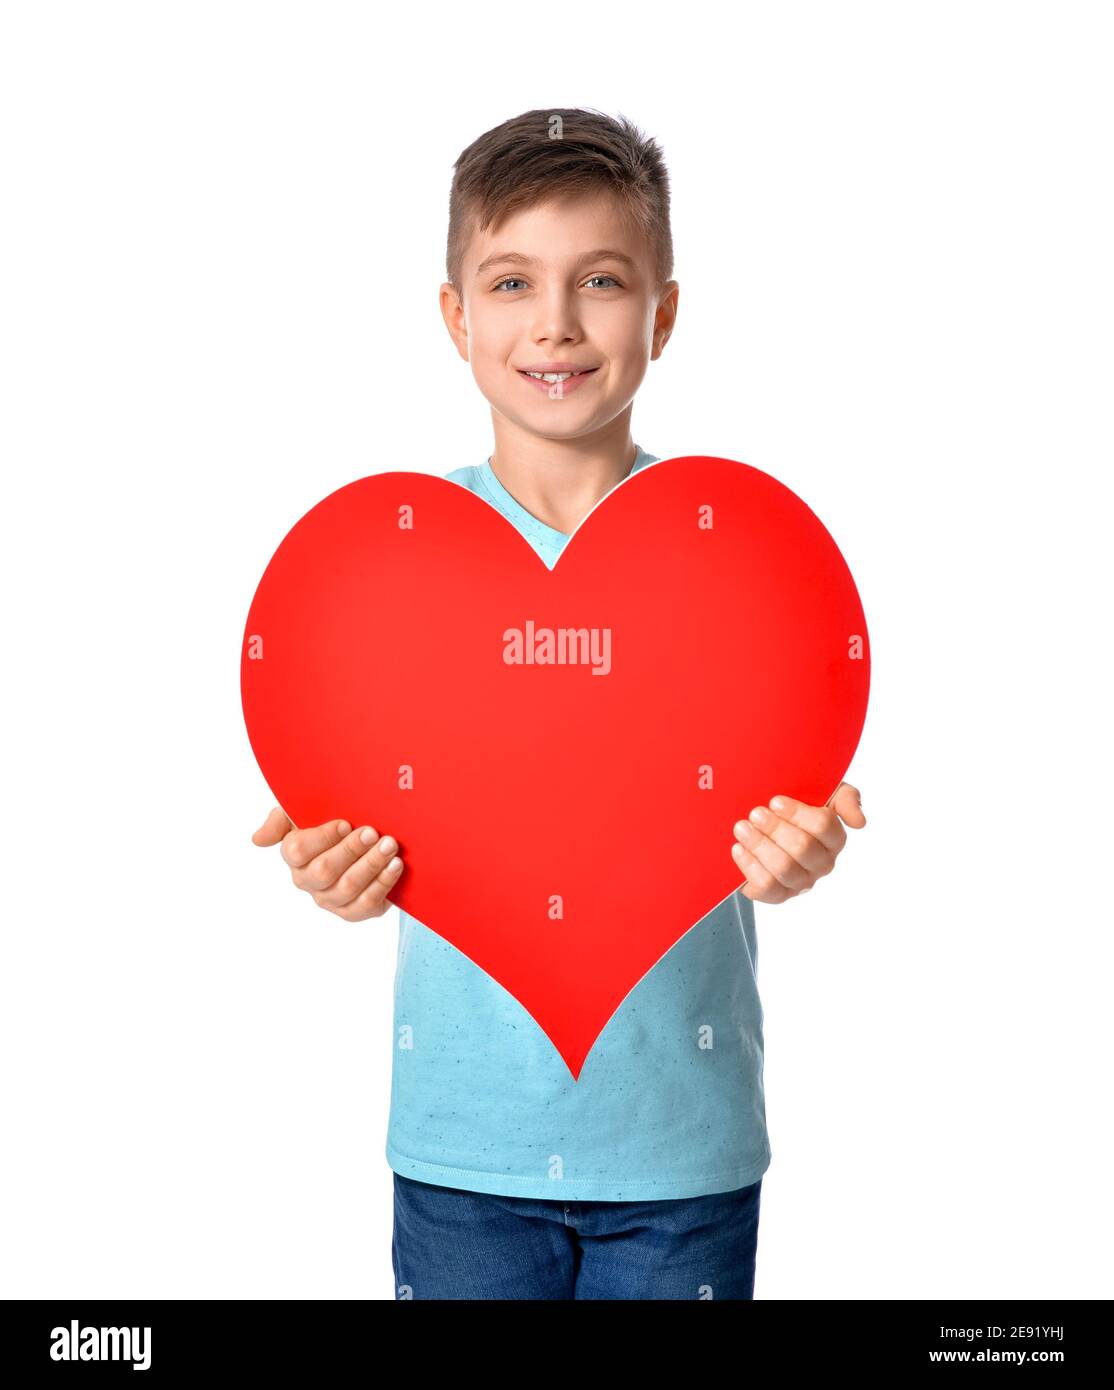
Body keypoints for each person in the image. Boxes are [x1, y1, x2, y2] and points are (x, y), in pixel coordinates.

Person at [252, 108, 867, 1299]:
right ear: (456, 318)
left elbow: (776, 803)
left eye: (599, 280)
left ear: (663, 313)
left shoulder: (731, 561)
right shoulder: (394, 567)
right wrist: (339, 870)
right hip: (463, 1155)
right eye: (511, 281)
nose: (555, 323)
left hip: (678, 1153)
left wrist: (793, 853)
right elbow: (370, 815)